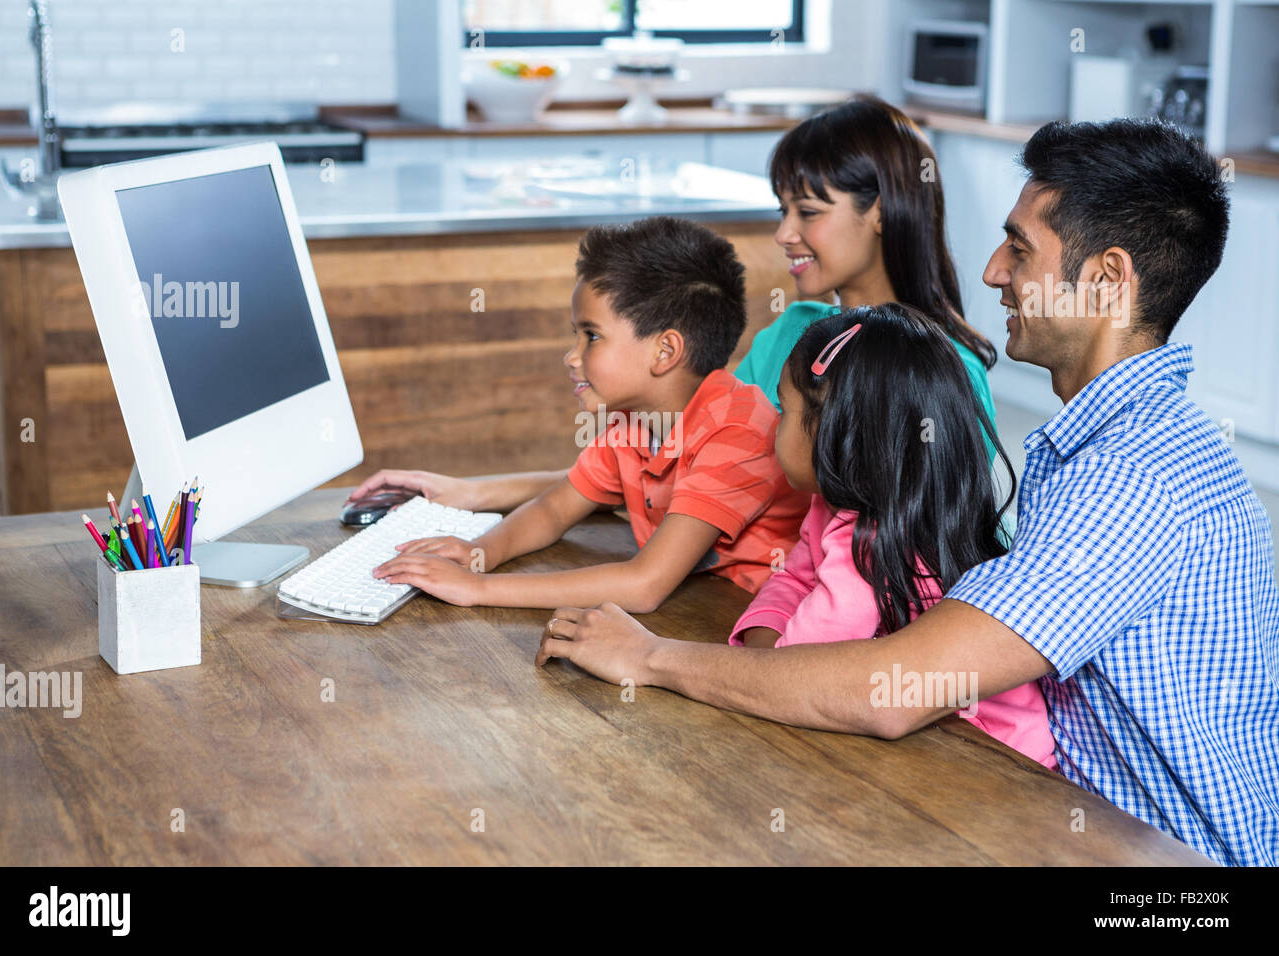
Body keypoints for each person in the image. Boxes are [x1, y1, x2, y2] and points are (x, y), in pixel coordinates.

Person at [537, 118, 1279, 867]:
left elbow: (896, 689)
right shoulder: (1126, 439)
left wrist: (653, 660)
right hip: (1069, 818)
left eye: (1019, 248)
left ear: (1107, 278)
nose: (993, 272)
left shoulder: (1133, 476)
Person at [347, 94, 1001, 513]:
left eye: (807, 212)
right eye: (782, 211)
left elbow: (927, 556)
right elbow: (674, 461)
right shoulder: (795, 331)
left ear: (882, 212)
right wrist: (469, 493)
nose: (784, 234)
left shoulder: (941, 367)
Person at [372, 216, 809, 609]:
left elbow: (644, 584)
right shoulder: (630, 422)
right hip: (699, 609)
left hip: (764, 620)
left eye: (591, 337)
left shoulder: (737, 430)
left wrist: (477, 590)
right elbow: (554, 510)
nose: (572, 356)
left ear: (665, 351)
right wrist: (479, 553)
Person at [731, 303, 1056, 767]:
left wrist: (768, 662)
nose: (771, 431)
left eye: (784, 410)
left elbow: (799, 672)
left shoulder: (871, 540)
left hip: (994, 765)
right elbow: (792, 585)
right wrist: (767, 652)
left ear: (832, 427)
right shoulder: (838, 506)